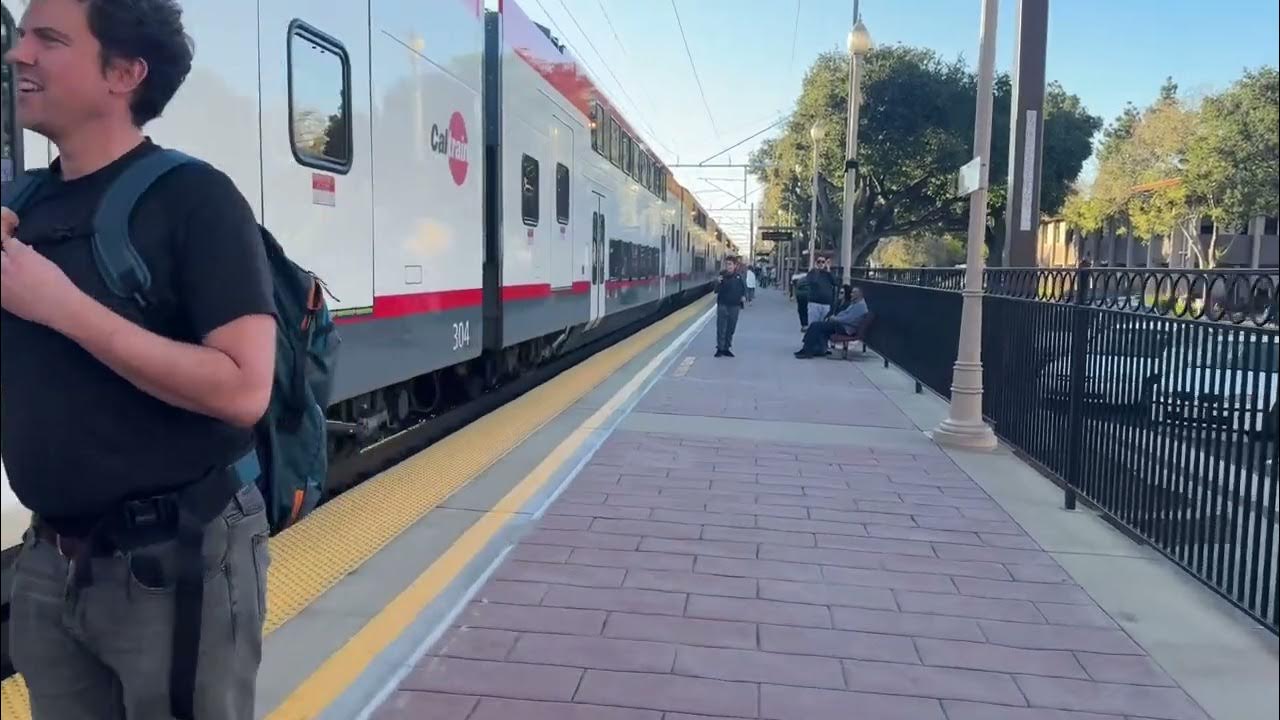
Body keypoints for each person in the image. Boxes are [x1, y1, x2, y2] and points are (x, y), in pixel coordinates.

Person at [1, 1, 276, 718]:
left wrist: (61, 306)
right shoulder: (17, 207)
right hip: (50, 564)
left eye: (48, 40)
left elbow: (245, 387)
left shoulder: (196, 200)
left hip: (177, 562)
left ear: (125, 72)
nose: (17, 54)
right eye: (21, 35)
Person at [795, 287, 869, 358]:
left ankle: (807, 350)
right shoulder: (856, 303)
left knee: (816, 325)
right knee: (818, 326)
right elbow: (844, 314)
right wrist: (834, 318)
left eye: (853, 293)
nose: (851, 294)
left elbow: (848, 319)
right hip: (842, 325)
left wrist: (835, 319)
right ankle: (818, 349)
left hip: (846, 328)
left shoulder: (860, 306)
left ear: (859, 294)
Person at [715, 256, 746, 357]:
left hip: (735, 306)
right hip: (723, 305)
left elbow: (743, 289)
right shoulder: (721, 276)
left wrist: (744, 296)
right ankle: (720, 348)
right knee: (721, 328)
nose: (728, 266)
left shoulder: (739, 276)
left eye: (730, 264)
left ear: (735, 265)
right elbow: (716, 290)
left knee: (731, 328)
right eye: (727, 264)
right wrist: (718, 282)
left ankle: (726, 348)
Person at [805, 255, 837, 327]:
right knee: (813, 325)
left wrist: (828, 269)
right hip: (814, 303)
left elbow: (835, 282)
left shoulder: (828, 274)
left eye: (823, 262)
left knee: (823, 326)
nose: (821, 263)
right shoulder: (812, 273)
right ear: (816, 263)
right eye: (819, 261)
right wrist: (817, 270)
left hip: (826, 304)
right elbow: (813, 281)